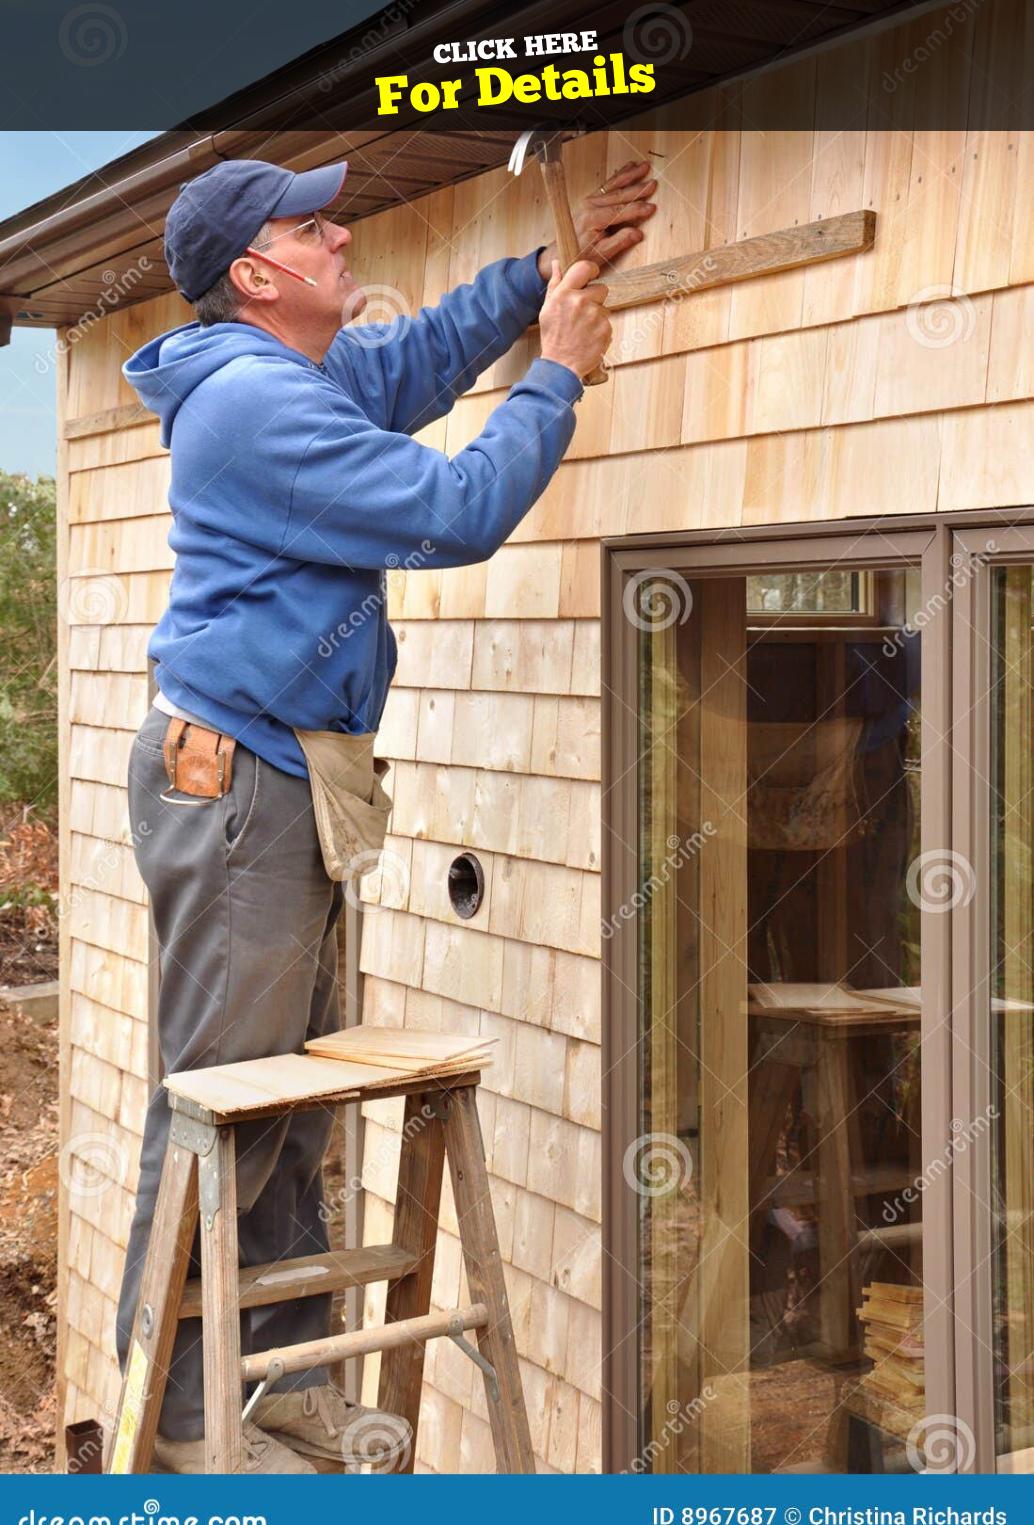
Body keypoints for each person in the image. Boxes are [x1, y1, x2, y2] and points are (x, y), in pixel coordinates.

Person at [116, 153, 656, 1473]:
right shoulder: (255, 408)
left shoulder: (287, 381)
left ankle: (283, 1378)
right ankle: (180, 1428)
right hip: (240, 780)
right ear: (258, 273)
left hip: (282, 773)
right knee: (225, 1097)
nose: (342, 230)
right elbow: (457, 510)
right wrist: (559, 373)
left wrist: (539, 273)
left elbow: (411, 363)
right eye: (313, 225)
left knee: (288, 1100)